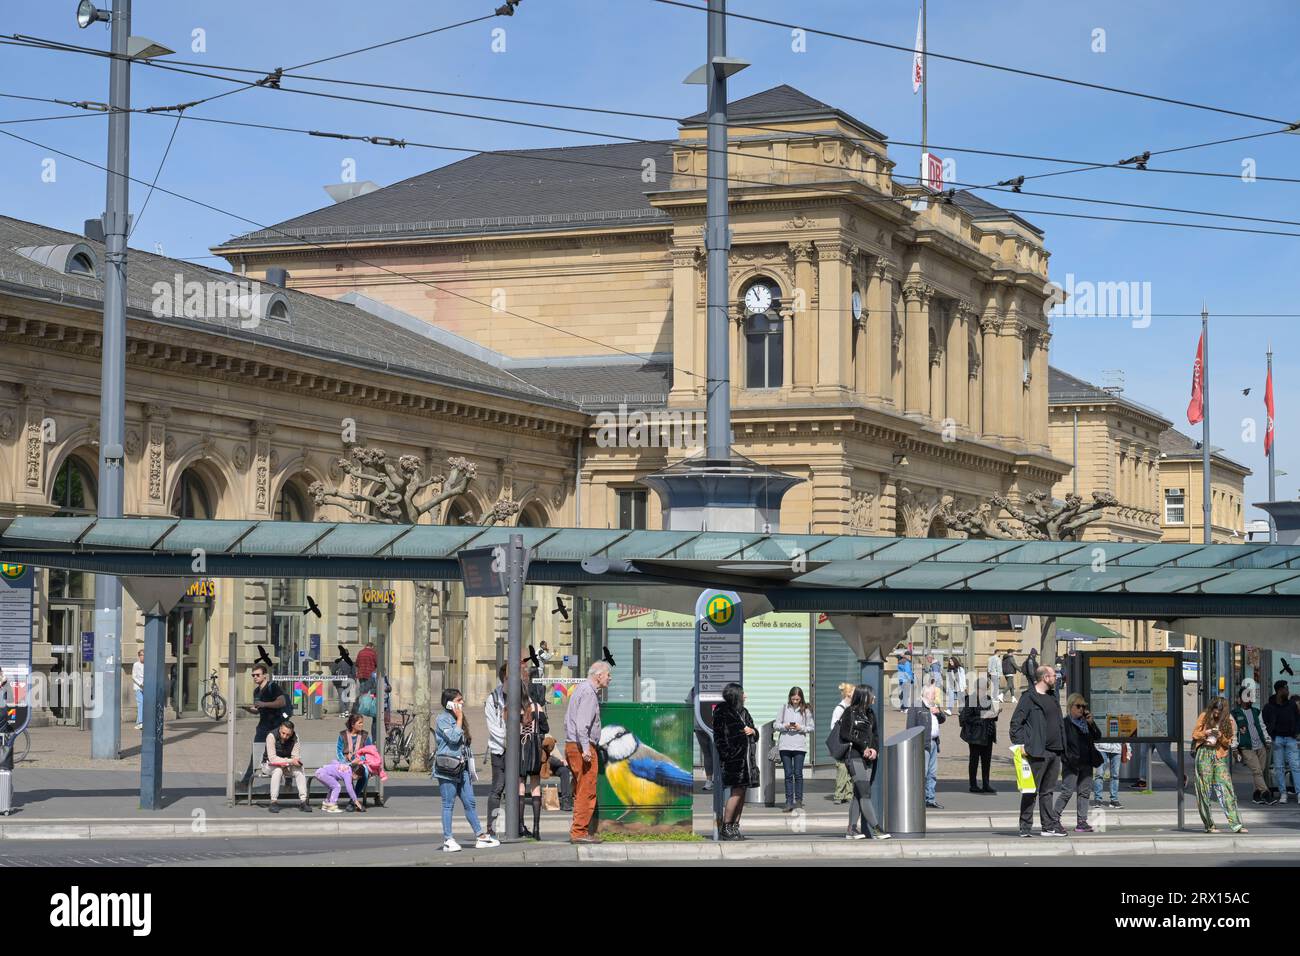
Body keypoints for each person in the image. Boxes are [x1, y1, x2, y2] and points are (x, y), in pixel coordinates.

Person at [434, 688, 499, 852]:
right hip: (447, 768)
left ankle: (480, 836)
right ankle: (448, 839)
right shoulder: (442, 719)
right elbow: (454, 739)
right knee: (448, 804)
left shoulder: (458, 718)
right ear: (449, 703)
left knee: (470, 802)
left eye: (461, 699)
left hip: (462, 768)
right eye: (458, 700)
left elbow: (465, 743)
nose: (462, 702)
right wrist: (460, 718)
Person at [1009, 665, 1067, 837]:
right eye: (1053, 675)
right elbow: (1015, 724)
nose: (1056, 678)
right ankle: (1025, 827)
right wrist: (1022, 745)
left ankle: (1048, 826)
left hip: (1055, 751)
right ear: (1044, 678)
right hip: (1037, 751)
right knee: (1030, 791)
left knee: (1048, 791)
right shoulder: (1029, 698)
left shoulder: (1053, 696)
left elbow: (1058, 723)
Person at [565, 660, 611, 844]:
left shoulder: (582, 689)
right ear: (598, 675)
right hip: (581, 746)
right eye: (608, 675)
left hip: (573, 744)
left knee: (581, 789)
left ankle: (579, 830)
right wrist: (586, 749)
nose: (610, 678)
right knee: (587, 790)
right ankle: (579, 832)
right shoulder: (589, 693)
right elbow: (583, 725)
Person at [838, 685, 891, 840]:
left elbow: (875, 734)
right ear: (863, 696)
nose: (873, 697)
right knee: (865, 792)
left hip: (868, 758)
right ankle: (877, 829)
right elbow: (844, 734)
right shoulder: (850, 711)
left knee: (858, 794)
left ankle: (851, 829)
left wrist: (874, 749)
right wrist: (863, 747)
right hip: (853, 756)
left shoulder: (870, 713)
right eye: (871, 695)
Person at [1192, 696, 1247, 834]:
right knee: (1203, 789)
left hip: (1219, 755)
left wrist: (1221, 736)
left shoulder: (1228, 721)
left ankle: (1236, 824)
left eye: (1219, 712)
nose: (1216, 714)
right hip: (1204, 753)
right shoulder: (1204, 716)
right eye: (1214, 710)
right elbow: (1194, 734)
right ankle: (1209, 825)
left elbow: (1229, 742)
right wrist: (1207, 732)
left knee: (1227, 788)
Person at [712, 681, 757, 841]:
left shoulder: (743, 712)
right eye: (743, 693)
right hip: (734, 760)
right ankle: (726, 826)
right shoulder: (722, 711)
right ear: (736, 695)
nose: (745, 696)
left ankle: (734, 827)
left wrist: (753, 731)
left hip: (747, 760)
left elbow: (755, 732)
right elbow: (719, 738)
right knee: (736, 793)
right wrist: (729, 754)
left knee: (742, 793)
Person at [1057, 693, 1102, 833]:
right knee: (1067, 792)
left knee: (1084, 793)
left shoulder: (1085, 723)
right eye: (1078, 706)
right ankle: (1053, 818)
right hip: (1072, 764)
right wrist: (1067, 759)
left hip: (1087, 763)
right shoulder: (1065, 723)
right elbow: (1061, 744)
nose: (1081, 709)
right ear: (1070, 707)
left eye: (1083, 706)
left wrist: (1091, 723)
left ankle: (1082, 822)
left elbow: (1098, 736)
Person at [240, 664, 287, 784]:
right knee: (256, 752)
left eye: (257, 675)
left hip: (276, 725)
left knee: (281, 752)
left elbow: (281, 702)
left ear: (264, 675)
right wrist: (249, 709)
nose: (255, 677)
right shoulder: (256, 691)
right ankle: (246, 781)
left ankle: (288, 782)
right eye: (253, 675)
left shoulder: (273, 687)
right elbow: (258, 709)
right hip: (263, 726)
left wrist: (264, 704)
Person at [1232, 689, 1274, 805]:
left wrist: (1267, 740)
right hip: (1246, 747)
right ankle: (1266, 794)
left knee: (1260, 771)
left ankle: (1256, 795)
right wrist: (1234, 748)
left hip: (1260, 745)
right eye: (1246, 696)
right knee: (1257, 771)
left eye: (1250, 696)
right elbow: (1233, 731)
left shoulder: (1256, 711)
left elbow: (1262, 726)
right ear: (1240, 699)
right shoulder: (1235, 713)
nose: (1249, 699)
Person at [906, 685, 945, 809]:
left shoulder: (934, 706)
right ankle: (918, 799)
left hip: (934, 742)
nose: (935, 696)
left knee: (932, 773)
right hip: (922, 743)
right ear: (927, 694)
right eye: (934, 694)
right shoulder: (916, 706)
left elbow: (943, 719)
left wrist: (938, 713)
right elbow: (910, 728)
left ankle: (930, 798)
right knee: (922, 772)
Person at [775, 686, 813, 811]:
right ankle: (788, 801)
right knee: (788, 774)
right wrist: (785, 726)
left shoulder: (806, 711)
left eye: (797, 699)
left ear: (801, 698)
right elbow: (775, 725)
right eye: (793, 699)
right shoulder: (784, 708)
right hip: (785, 745)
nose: (795, 701)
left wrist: (800, 727)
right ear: (790, 698)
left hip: (799, 746)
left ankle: (799, 800)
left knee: (798, 774)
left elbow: (811, 727)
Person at [959, 679, 999, 794]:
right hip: (975, 735)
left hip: (988, 734)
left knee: (987, 761)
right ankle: (973, 784)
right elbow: (966, 718)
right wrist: (983, 716)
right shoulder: (971, 699)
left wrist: (994, 714)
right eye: (982, 689)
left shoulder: (987, 699)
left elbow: (992, 714)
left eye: (986, 689)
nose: (984, 691)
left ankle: (986, 784)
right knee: (974, 760)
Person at [1263, 680, 1300, 804]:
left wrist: (1296, 732)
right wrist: (1271, 734)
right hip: (1277, 738)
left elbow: (1297, 718)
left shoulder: (1291, 705)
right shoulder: (1270, 706)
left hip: (1291, 738)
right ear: (1279, 691)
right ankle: (1283, 793)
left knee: (1295, 766)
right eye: (1285, 689)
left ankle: (1299, 793)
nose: (1288, 691)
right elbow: (1265, 719)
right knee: (1279, 768)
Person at [518, 693, 549, 839]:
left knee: (521, 785)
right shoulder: (537, 707)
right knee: (535, 786)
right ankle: (537, 828)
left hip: (520, 748)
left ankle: (520, 825)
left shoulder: (515, 708)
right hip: (534, 749)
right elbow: (545, 728)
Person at [484, 664, 509, 837]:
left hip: (518, 750)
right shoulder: (492, 699)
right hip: (500, 749)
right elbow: (493, 728)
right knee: (498, 788)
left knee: (518, 789)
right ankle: (492, 828)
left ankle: (516, 826)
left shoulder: (522, 696)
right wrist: (510, 742)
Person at [265, 720, 310, 813]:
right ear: (280, 729)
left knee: (299, 770)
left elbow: (295, 755)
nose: (285, 736)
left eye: (288, 734)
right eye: (283, 733)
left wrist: (296, 761)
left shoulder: (295, 737)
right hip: (269, 765)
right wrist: (290, 761)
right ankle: (273, 801)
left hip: (287, 765)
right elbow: (272, 758)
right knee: (278, 771)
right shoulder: (271, 736)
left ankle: (303, 801)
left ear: (292, 732)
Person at [829, 682, 855, 804]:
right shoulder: (840, 709)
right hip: (842, 743)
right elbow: (833, 727)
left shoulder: (852, 708)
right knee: (842, 769)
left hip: (850, 743)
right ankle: (839, 794)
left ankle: (848, 794)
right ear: (849, 694)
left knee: (850, 769)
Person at [338, 712, 370, 809]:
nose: (362, 725)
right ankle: (353, 800)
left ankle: (352, 801)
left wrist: (361, 759)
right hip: (346, 763)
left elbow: (369, 751)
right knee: (348, 772)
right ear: (353, 724)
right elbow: (339, 750)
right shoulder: (343, 735)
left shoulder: (365, 735)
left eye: (362, 723)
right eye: (359, 723)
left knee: (364, 774)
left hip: (361, 762)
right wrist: (345, 760)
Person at [688, 687, 716, 792]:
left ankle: (709, 781)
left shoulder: (694, 690)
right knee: (715, 753)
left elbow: (689, 705)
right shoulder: (715, 686)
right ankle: (715, 780)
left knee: (707, 754)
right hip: (713, 726)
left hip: (699, 725)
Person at [541, 735, 573, 812]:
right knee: (559, 763)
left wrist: (561, 761)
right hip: (540, 764)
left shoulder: (548, 736)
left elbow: (555, 754)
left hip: (551, 764)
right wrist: (562, 762)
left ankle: (566, 801)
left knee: (564, 770)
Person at [1093, 738, 1124, 809]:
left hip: (1117, 747)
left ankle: (1114, 800)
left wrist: (1128, 748)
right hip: (1101, 747)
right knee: (1099, 774)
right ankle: (1098, 799)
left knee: (1115, 775)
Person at [132, 649, 145, 730]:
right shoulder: (136, 664)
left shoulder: (147, 664)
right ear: (139, 656)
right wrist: (140, 683)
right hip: (138, 687)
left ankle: (138, 723)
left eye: (144, 655)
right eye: (141, 655)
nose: (142, 657)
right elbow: (133, 676)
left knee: (143, 704)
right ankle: (140, 722)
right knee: (141, 703)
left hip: (146, 687)